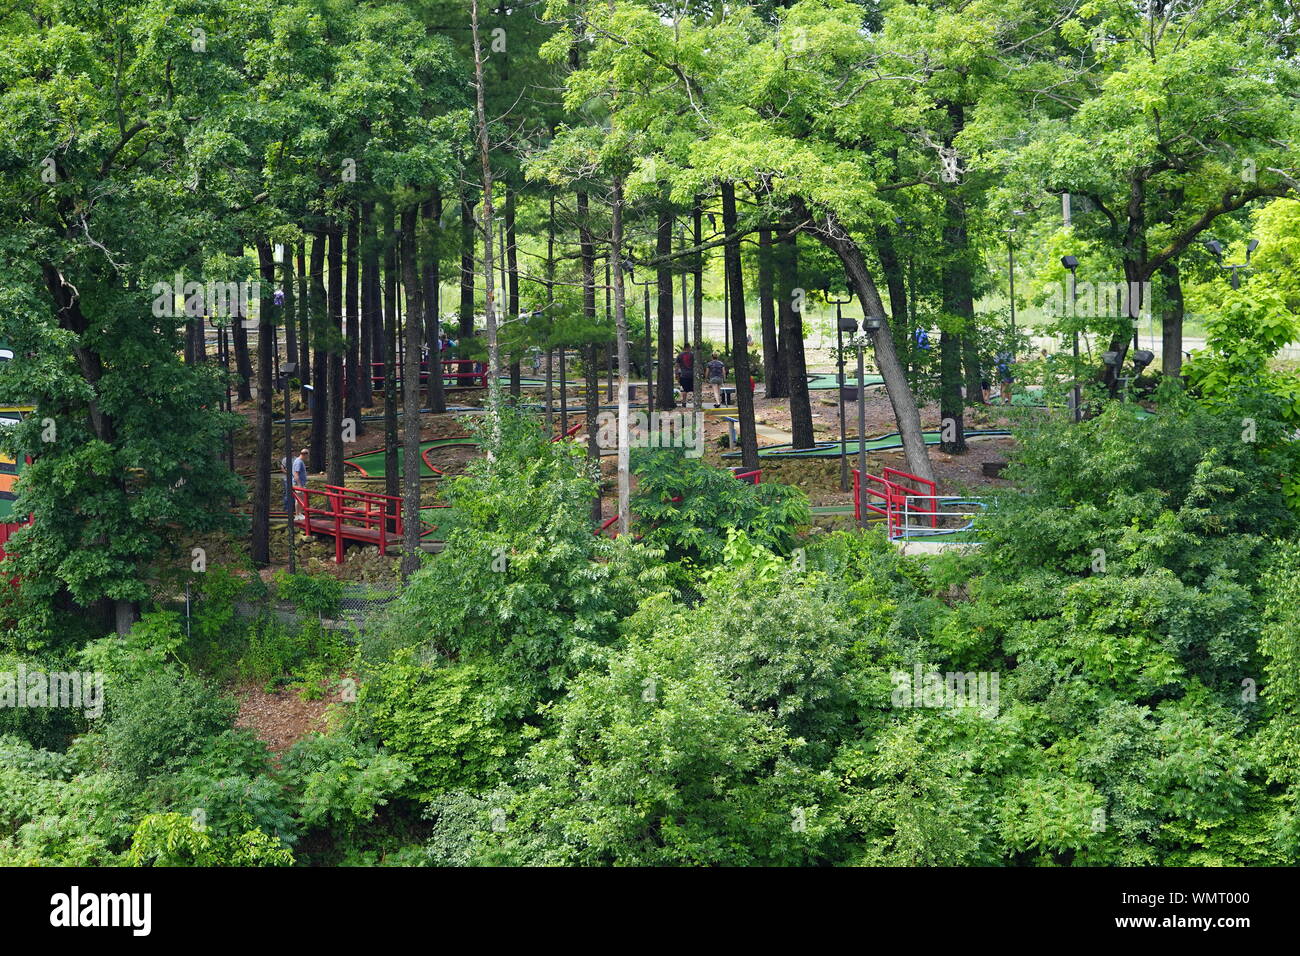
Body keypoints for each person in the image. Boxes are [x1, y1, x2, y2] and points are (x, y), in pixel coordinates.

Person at [292, 447, 309, 519]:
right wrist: (299, 485)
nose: (307, 457)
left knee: (300, 499)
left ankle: (299, 513)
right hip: (299, 484)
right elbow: (296, 474)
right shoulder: (299, 462)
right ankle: (297, 514)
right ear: (305, 454)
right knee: (299, 499)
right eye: (307, 455)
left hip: (300, 483)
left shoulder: (299, 461)